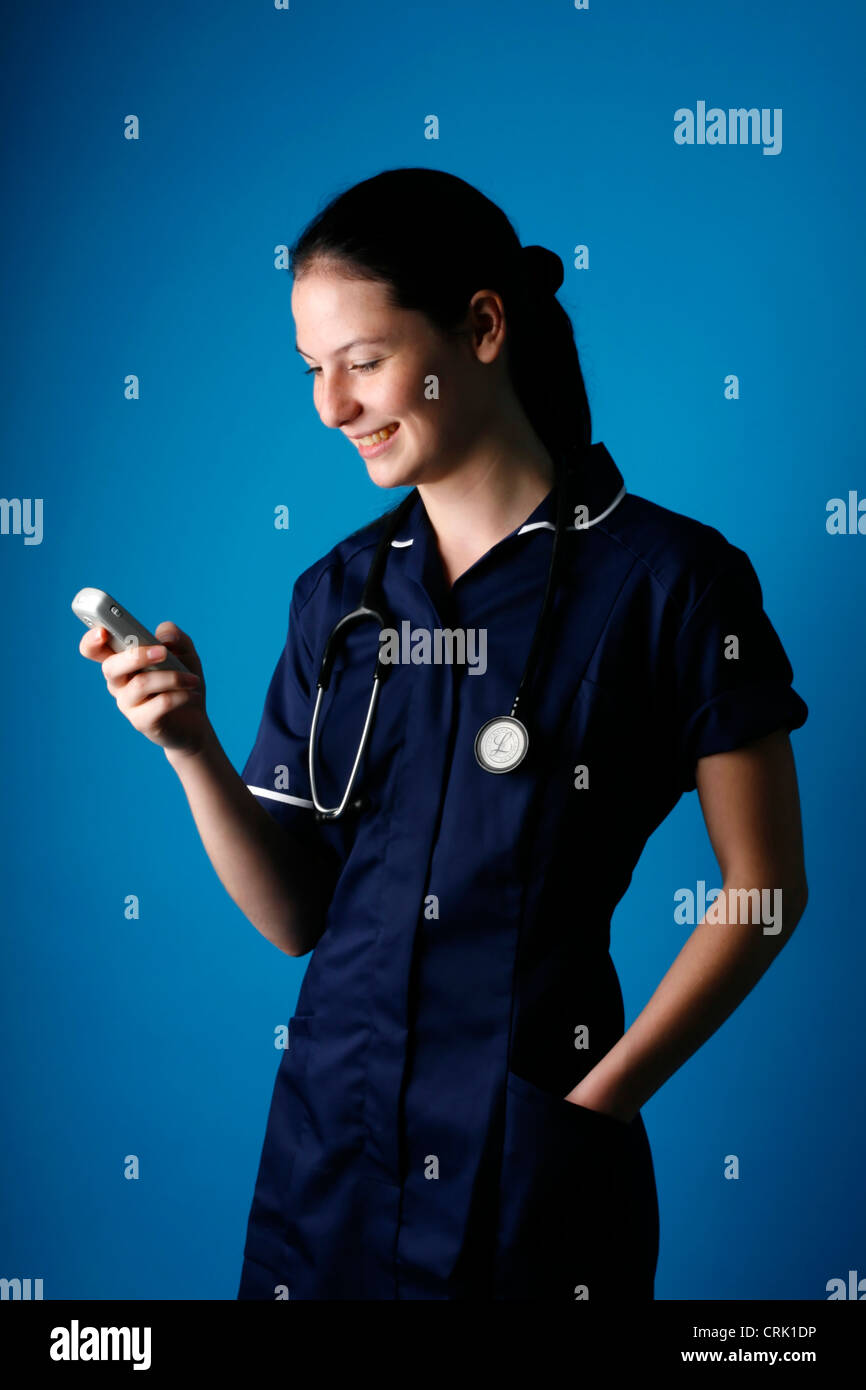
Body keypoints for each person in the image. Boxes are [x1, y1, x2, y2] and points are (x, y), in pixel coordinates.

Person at [78, 167, 809, 1302]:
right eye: (311, 371)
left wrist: (595, 1105)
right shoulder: (340, 593)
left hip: (535, 1163)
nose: (331, 406)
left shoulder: (671, 583)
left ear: (479, 326)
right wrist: (188, 743)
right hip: (329, 1149)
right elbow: (293, 918)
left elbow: (765, 887)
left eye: (362, 362)